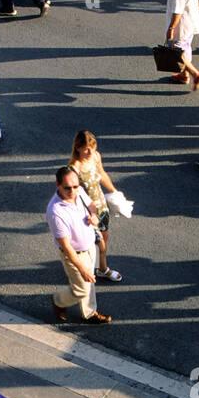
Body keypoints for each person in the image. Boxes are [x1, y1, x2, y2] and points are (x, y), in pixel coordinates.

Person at [46, 165, 111, 325]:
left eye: (76, 186)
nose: (73, 191)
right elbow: (67, 247)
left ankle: (89, 313)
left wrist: (94, 216)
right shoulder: (56, 212)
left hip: (89, 247)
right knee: (81, 289)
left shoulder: (79, 192)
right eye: (67, 188)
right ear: (58, 185)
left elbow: (92, 206)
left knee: (90, 285)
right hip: (74, 255)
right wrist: (82, 269)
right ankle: (59, 301)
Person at [69, 130, 123, 282]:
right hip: (87, 212)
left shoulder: (96, 157)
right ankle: (99, 269)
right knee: (96, 243)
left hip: (101, 207)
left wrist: (114, 192)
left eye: (92, 147)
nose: (90, 151)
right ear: (78, 148)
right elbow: (73, 194)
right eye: (86, 148)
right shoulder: (74, 168)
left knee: (103, 238)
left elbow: (102, 175)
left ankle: (99, 268)